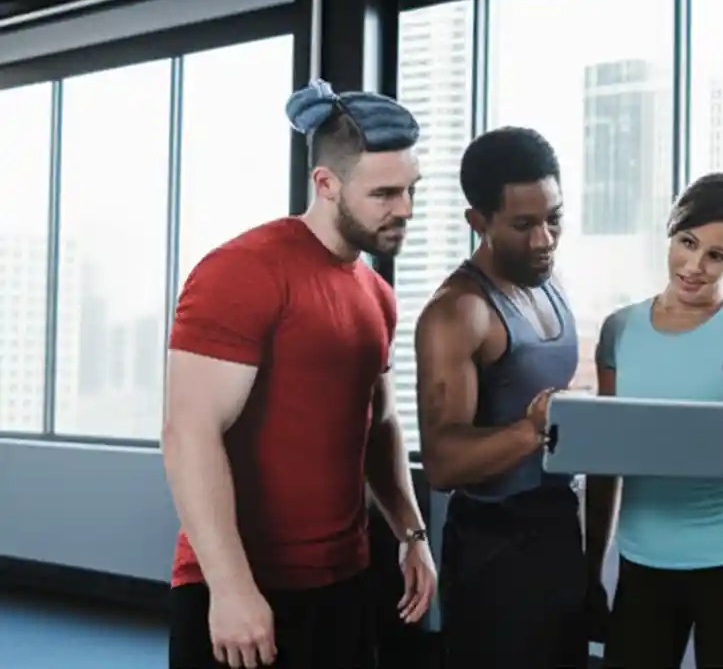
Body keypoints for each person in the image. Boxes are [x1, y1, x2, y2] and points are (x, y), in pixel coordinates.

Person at [163, 78, 436, 669]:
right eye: (385, 193)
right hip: (243, 585)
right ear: (326, 184)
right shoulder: (243, 271)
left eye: (412, 189)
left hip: (343, 582)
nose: (405, 209)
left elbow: (381, 423)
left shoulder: (377, 294)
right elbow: (189, 434)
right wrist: (233, 589)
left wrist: (412, 535)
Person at [585, 173, 723, 669]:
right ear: (672, 235)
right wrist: (591, 570)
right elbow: (605, 464)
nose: (694, 266)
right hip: (642, 568)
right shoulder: (619, 331)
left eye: (716, 256)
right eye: (687, 243)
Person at [414, 127, 584, 669]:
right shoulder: (459, 312)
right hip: (494, 545)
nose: (545, 240)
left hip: (559, 526)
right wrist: (533, 430)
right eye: (523, 225)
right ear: (479, 222)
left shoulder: (548, 283)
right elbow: (442, 462)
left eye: (553, 218)